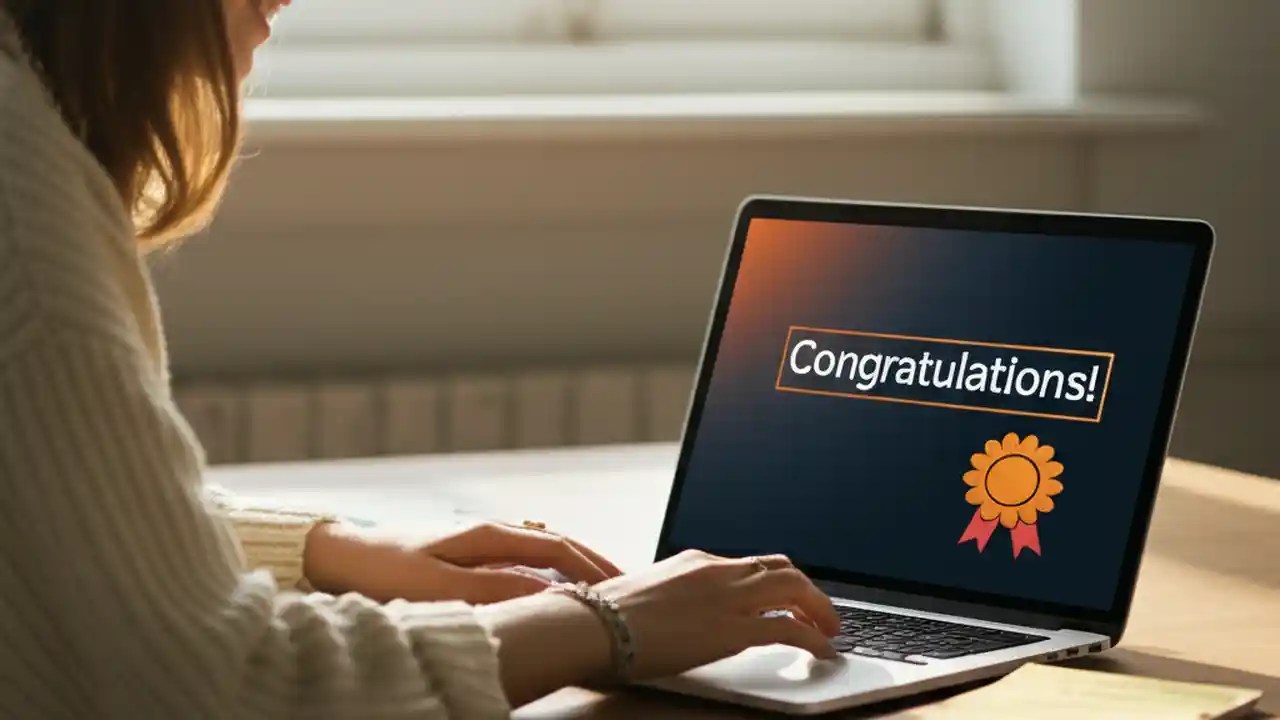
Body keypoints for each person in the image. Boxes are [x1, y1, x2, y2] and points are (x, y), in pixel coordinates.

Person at [0, 0, 841, 717]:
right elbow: (228, 684)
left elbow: (51, 527)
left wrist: (325, 550)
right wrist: (606, 623)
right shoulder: (25, 214)